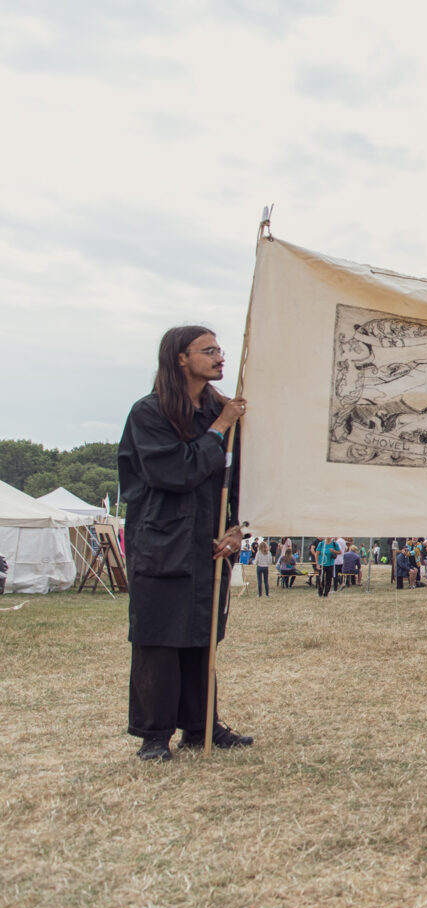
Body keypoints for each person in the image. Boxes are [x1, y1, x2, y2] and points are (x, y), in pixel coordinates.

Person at [118, 325, 253, 761]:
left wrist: (237, 529)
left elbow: (234, 480)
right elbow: (172, 472)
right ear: (180, 357)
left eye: (220, 349)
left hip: (207, 542)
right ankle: (154, 736)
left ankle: (201, 726)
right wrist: (219, 427)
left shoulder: (219, 410)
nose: (219, 357)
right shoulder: (150, 413)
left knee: (201, 635)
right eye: (208, 350)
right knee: (159, 638)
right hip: (161, 541)